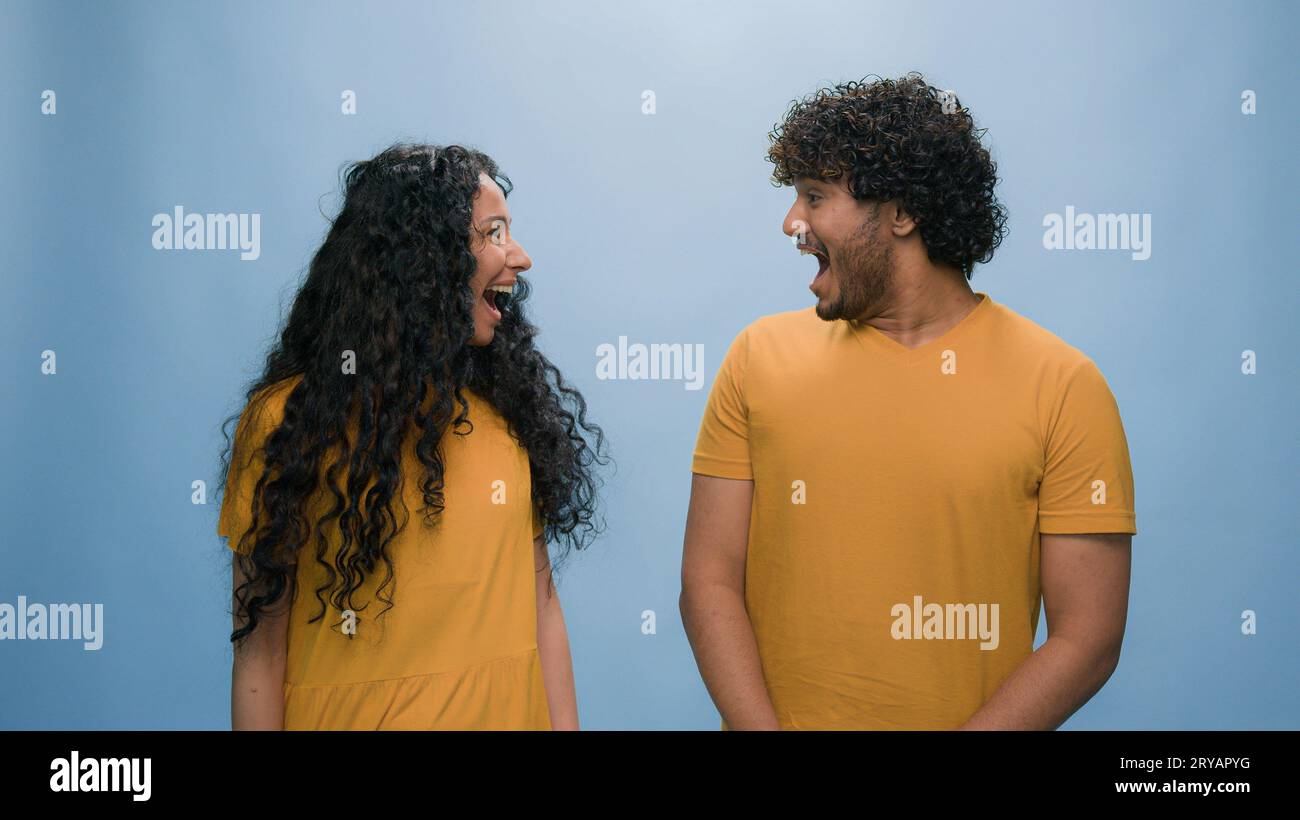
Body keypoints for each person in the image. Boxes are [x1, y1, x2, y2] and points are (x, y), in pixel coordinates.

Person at [681, 73, 1137, 730]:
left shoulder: (1064, 386)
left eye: (815, 196)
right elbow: (708, 578)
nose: (792, 222)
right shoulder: (757, 357)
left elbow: (1087, 638)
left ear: (901, 213)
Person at [219, 143, 607, 730]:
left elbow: (543, 609)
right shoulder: (286, 423)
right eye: (493, 233)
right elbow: (259, 648)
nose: (520, 257)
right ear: (422, 261)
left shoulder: (509, 415)